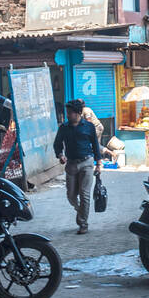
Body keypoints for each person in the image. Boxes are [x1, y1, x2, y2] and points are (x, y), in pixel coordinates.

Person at [53, 98, 102, 234]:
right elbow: (57, 144)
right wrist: (60, 155)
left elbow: (95, 146)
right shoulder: (64, 128)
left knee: (84, 194)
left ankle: (83, 223)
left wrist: (98, 163)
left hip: (87, 163)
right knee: (71, 195)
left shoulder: (89, 126)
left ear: (78, 113)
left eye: (70, 113)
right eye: (67, 112)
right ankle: (80, 210)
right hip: (71, 164)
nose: (67, 115)